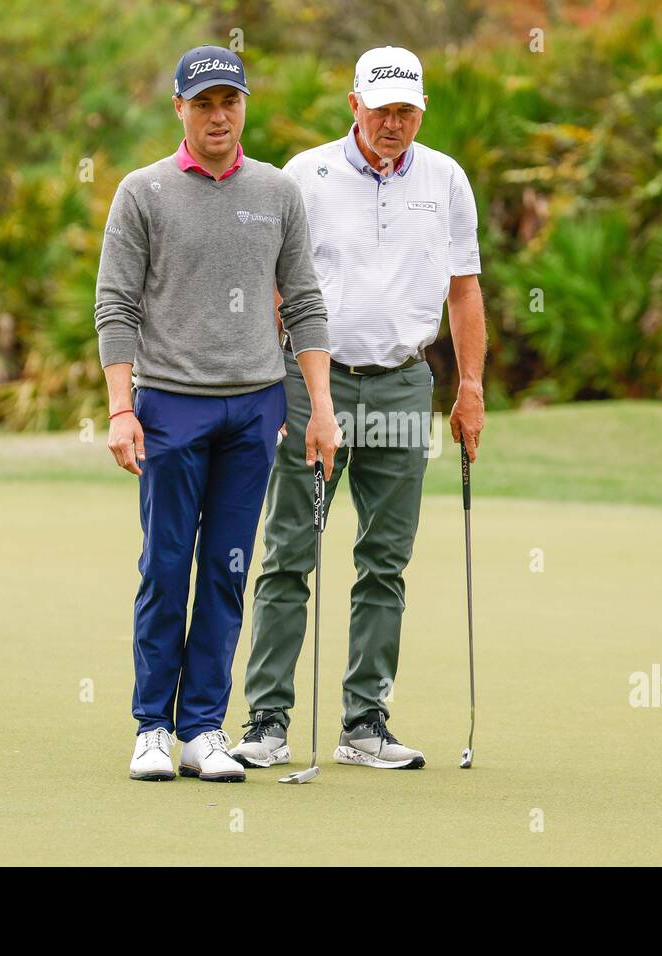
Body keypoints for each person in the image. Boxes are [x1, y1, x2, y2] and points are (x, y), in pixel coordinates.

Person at [231, 46, 487, 771]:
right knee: (289, 553)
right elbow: (271, 286)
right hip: (317, 383)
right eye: (381, 110)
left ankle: (365, 723)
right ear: (354, 105)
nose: (393, 124)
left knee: (385, 561)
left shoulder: (446, 179)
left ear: (420, 113)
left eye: (406, 112)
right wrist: (273, 382)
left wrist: (469, 389)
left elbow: (463, 289)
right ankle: (267, 722)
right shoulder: (302, 176)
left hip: (406, 381)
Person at [94, 45, 339, 783]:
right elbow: (117, 305)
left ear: (244, 107)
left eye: (229, 101)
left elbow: (303, 302)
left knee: (229, 570)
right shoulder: (144, 192)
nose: (218, 115)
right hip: (170, 405)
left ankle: (203, 727)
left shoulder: (277, 192)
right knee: (166, 567)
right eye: (203, 103)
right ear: (179, 109)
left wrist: (320, 408)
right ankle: (152, 727)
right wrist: (120, 408)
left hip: (255, 407)